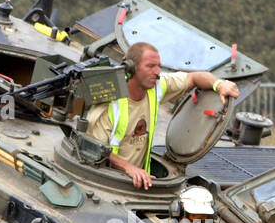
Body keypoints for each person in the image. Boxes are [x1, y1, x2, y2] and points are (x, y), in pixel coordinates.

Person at [86, 41, 240, 189]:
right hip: (108, 181)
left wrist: (219, 85)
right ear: (132, 68)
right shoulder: (110, 105)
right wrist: (129, 168)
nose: (157, 72)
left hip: (140, 182)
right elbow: (94, 149)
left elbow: (194, 77)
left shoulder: (156, 87)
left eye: (158, 66)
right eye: (150, 66)